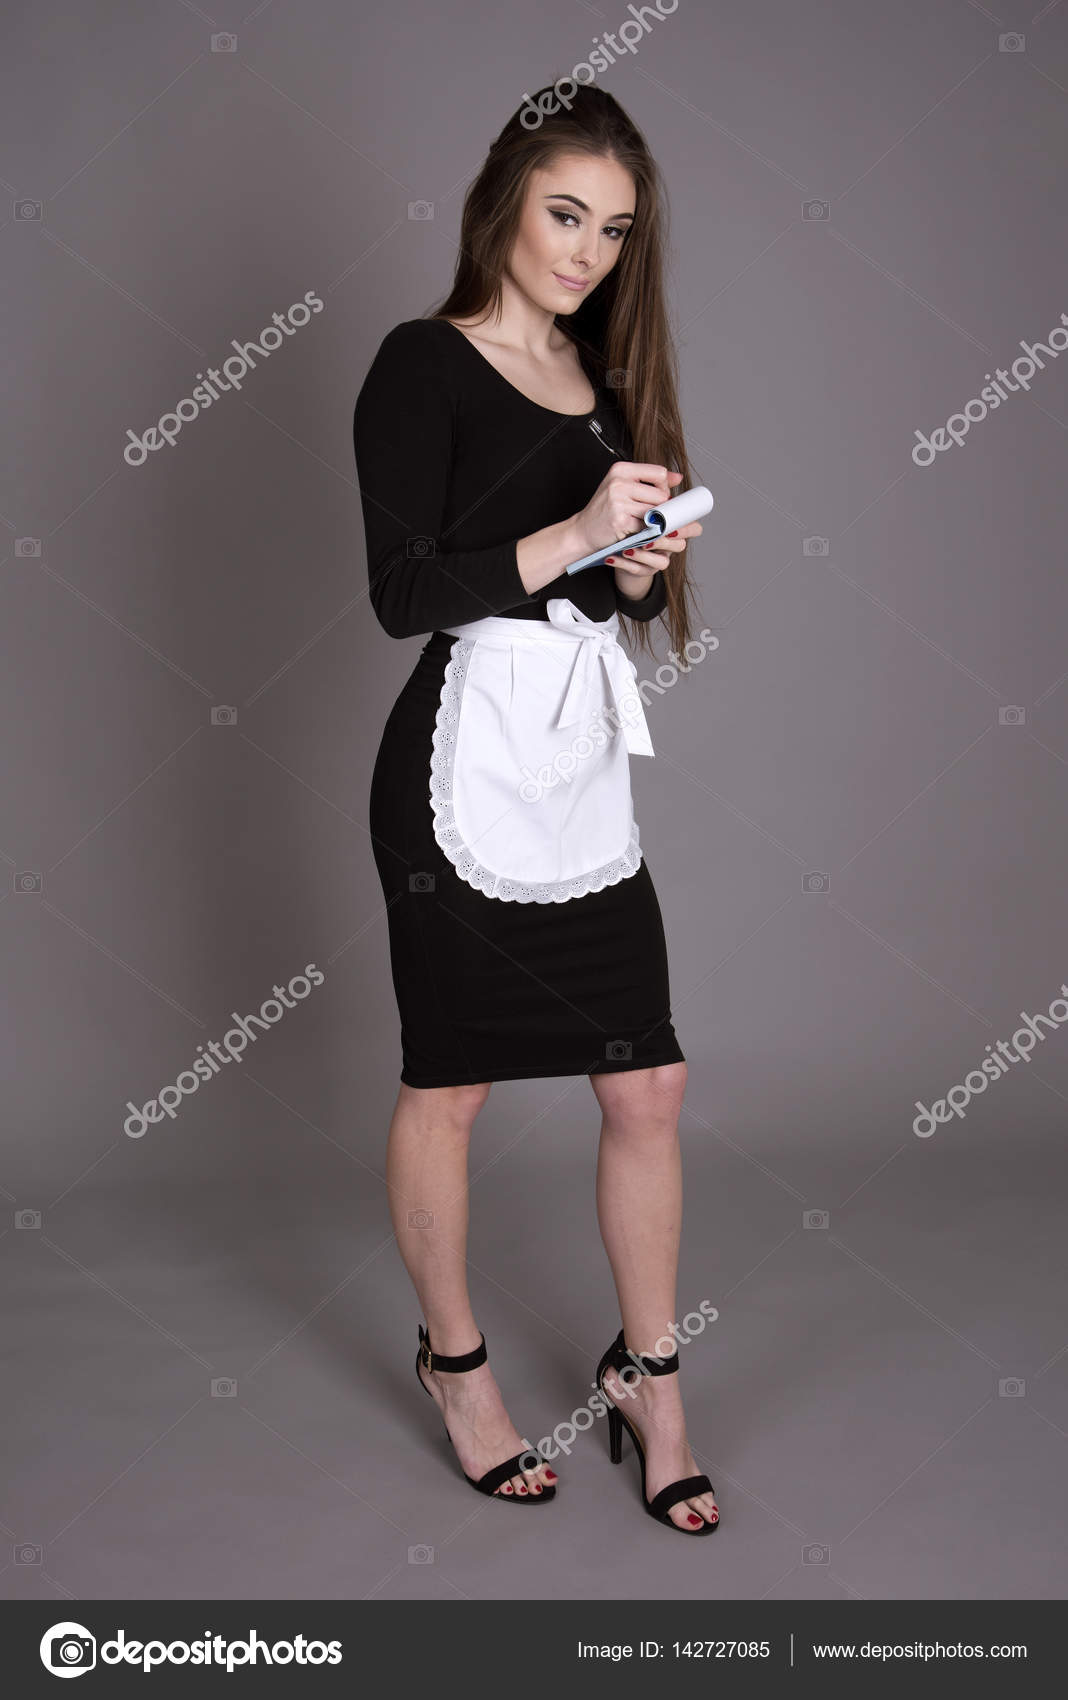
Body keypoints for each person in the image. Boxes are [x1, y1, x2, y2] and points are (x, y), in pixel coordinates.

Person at [353, 84, 719, 1535]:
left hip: (570, 760)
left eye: (615, 231)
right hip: (454, 762)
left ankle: (651, 1372)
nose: (586, 252)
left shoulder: (608, 373)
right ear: (505, 200)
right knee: (449, 1083)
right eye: (566, 215)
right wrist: (571, 531)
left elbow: (609, 590)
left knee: (651, 1084)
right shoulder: (417, 366)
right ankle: (456, 1365)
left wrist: (633, 565)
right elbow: (400, 593)